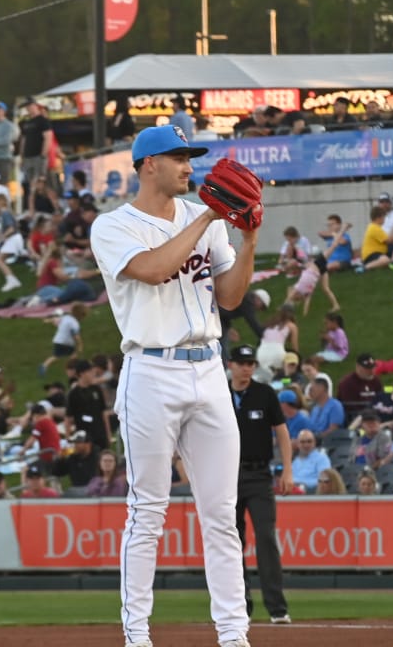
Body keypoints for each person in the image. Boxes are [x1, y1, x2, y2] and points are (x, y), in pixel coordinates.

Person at [88, 125, 256, 647]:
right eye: (177, 156)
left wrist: (248, 237)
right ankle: (136, 634)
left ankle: (234, 634)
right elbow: (156, 269)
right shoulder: (112, 226)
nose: (189, 165)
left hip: (208, 367)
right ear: (147, 166)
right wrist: (209, 215)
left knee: (221, 513)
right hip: (150, 370)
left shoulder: (205, 221)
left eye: (190, 156)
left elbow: (229, 297)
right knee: (148, 510)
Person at [227, 344, 294, 624]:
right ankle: (238, 605)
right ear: (231, 364)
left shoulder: (264, 393)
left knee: (266, 538)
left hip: (259, 475)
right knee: (232, 543)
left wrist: (287, 470)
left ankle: (277, 608)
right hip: (226, 477)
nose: (247, 368)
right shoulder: (217, 392)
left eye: (251, 363)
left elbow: (281, 432)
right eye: (242, 363)